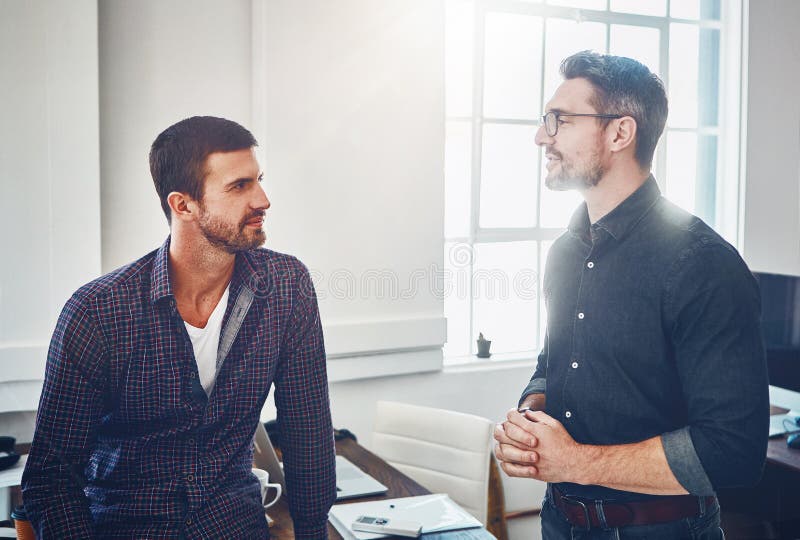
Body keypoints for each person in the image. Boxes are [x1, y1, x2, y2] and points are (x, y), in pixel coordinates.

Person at [493, 51, 769, 539]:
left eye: (559, 120)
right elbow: (556, 359)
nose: (542, 136)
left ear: (620, 133)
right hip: (558, 523)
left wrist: (574, 461)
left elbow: (733, 452)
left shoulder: (704, 264)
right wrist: (533, 410)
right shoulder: (564, 252)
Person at [22, 116, 336, 538]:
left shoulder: (286, 286)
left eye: (258, 180)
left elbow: (308, 433)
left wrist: (313, 532)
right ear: (183, 205)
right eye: (239, 186)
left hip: (235, 527)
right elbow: (52, 480)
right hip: (126, 528)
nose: (262, 199)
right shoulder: (97, 312)